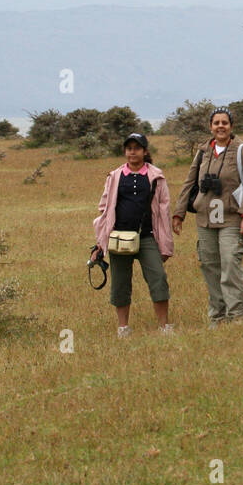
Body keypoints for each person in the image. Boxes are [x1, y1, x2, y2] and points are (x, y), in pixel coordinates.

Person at [172, 108, 243, 326]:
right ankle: (218, 316)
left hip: (232, 218)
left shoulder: (242, 151)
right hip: (205, 218)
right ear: (210, 126)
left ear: (231, 126)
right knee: (210, 266)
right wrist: (179, 213)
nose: (220, 126)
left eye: (224, 122)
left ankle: (236, 316)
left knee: (230, 263)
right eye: (216, 123)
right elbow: (189, 182)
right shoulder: (203, 151)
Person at [91, 133, 174, 337]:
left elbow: (164, 211)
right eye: (129, 148)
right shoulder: (115, 176)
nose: (132, 152)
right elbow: (104, 209)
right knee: (120, 282)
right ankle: (123, 328)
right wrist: (101, 242)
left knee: (158, 278)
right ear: (124, 151)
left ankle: (165, 327)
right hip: (118, 238)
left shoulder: (156, 176)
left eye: (137, 148)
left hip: (147, 237)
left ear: (145, 151)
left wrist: (165, 244)